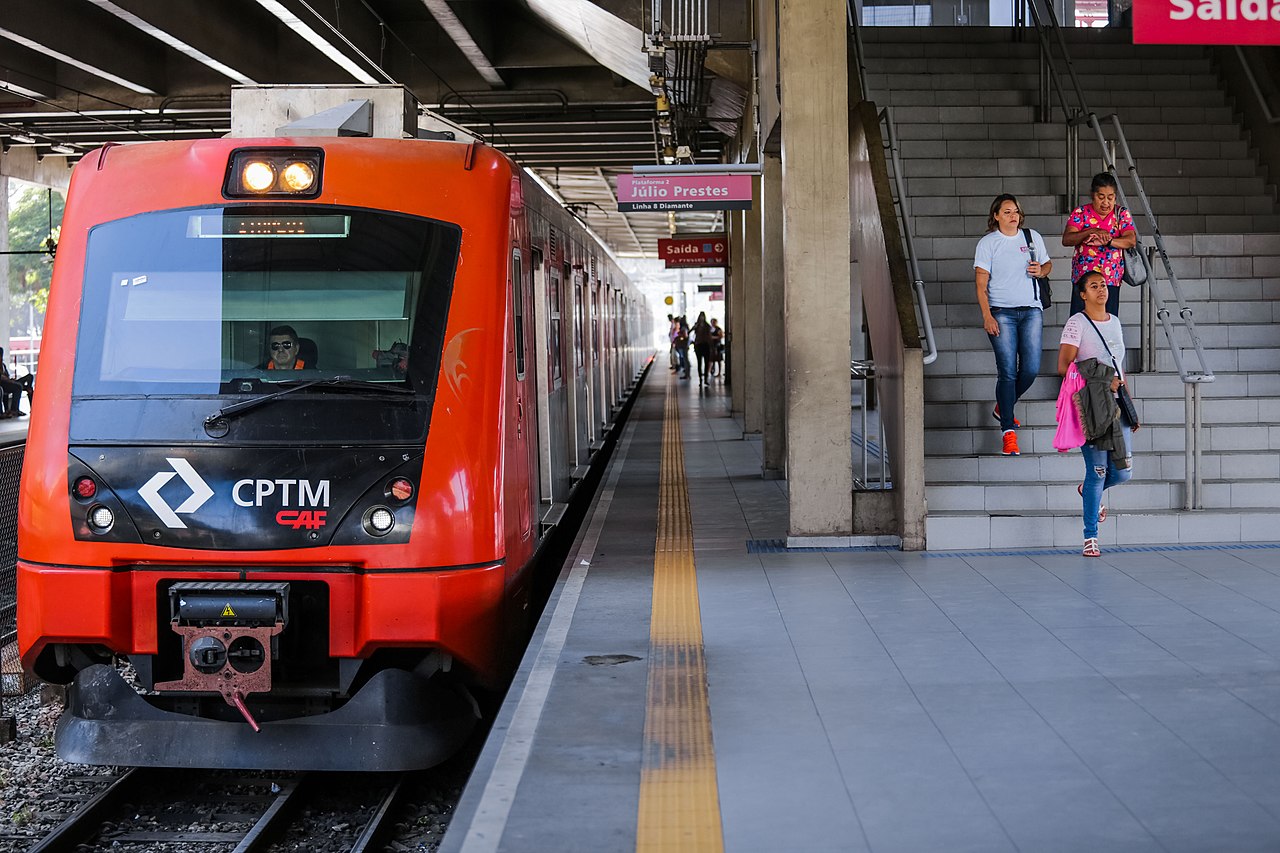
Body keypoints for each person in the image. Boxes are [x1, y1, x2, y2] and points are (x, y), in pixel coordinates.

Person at [1057, 270, 1137, 558]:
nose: (1101, 290)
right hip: (1091, 406)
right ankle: (1090, 536)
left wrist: (1128, 404)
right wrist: (1104, 379)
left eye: (1103, 284)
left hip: (1118, 404)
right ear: (1083, 294)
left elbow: (1119, 366)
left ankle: (1089, 490)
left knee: (1124, 472)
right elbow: (1065, 366)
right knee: (1098, 471)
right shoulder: (1076, 323)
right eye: (1094, 286)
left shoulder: (1114, 322)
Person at [974, 193, 1052, 456]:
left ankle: (1002, 406)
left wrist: (1041, 271)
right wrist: (987, 316)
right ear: (996, 215)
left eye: (1016, 211)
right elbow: (981, 283)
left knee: (1030, 369)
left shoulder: (1032, 237)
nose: (1013, 215)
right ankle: (1008, 431)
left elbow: (1048, 264)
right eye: (1006, 211)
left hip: (1031, 310)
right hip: (1001, 313)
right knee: (1007, 372)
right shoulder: (988, 243)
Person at [1061, 172, 1137, 318]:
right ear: (1092, 195)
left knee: (1108, 322)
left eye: (1110, 198)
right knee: (1081, 323)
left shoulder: (1121, 214)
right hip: (1084, 280)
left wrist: (1108, 241)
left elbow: (1130, 240)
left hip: (1110, 279)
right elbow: (1067, 239)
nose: (1106, 203)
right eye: (1101, 197)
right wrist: (1092, 230)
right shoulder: (1081, 213)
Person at [0, 347, 32, 418]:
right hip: (3, 384)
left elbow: (7, 376)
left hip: (9, 382)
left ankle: (29, 389)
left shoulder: (3, 365)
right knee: (18, 386)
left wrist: (10, 379)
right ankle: (14, 410)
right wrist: (7, 379)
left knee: (29, 377)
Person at [692, 311, 713, 385]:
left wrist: (711, 346)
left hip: (705, 345)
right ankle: (701, 378)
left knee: (706, 363)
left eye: (703, 316)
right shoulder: (696, 325)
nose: (702, 318)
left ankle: (706, 379)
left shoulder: (707, 326)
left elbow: (709, 336)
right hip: (698, 345)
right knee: (699, 363)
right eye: (701, 316)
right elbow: (691, 332)